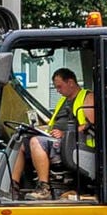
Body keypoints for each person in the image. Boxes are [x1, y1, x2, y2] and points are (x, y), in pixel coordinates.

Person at [9, 68, 94, 200]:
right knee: (21, 141)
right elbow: (53, 124)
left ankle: (44, 188)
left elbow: (91, 125)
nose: (58, 91)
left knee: (36, 142)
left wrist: (65, 134)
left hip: (75, 144)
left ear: (71, 82)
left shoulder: (87, 97)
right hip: (57, 140)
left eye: (59, 87)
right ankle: (13, 187)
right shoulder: (63, 101)